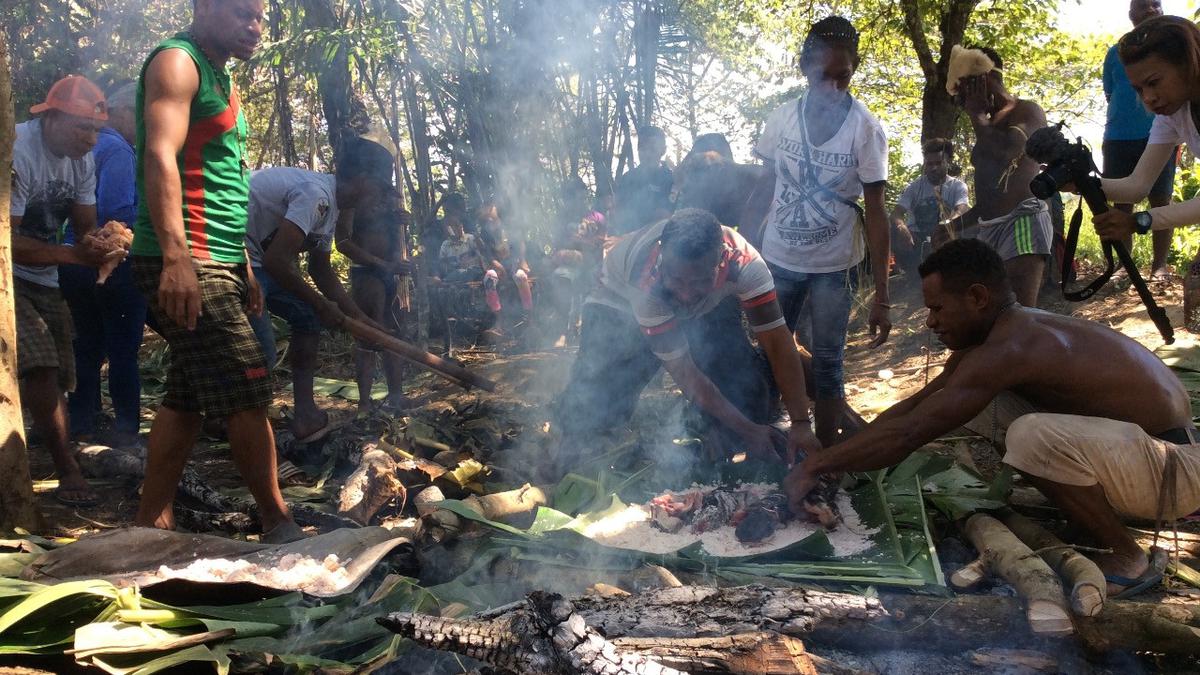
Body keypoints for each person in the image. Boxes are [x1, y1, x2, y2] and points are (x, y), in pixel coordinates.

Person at [785, 238, 1199, 597]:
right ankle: (1092, 518)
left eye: (937, 308)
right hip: (1143, 457)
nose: (931, 322)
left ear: (978, 298)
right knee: (989, 407)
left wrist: (818, 463)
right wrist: (839, 458)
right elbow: (919, 405)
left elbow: (913, 432)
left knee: (1031, 435)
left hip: (1173, 471)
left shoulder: (1012, 347)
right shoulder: (998, 338)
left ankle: (1128, 557)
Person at [130, 0, 301, 542]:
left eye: (260, 18)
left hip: (219, 258)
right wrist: (178, 258)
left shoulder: (222, 76)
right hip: (185, 259)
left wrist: (244, 264)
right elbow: (160, 155)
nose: (255, 27)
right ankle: (278, 523)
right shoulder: (177, 63)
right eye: (241, 14)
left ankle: (151, 523)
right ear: (204, 8)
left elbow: (225, 180)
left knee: (187, 396)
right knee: (250, 384)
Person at [554, 208, 821, 477]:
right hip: (616, 303)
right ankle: (566, 459)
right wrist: (750, 430)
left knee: (743, 383)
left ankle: (718, 450)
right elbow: (686, 374)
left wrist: (800, 422)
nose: (685, 293)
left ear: (721, 261)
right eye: (678, 279)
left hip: (710, 303)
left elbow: (778, 343)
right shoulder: (645, 280)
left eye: (699, 280)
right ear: (662, 255)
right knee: (601, 394)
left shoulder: (746, 265)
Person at [751, 15, 891, 446]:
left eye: (842, 77)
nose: (831, 88)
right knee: (768, 353)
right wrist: (742, 254)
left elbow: (877, 210)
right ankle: (773, 445)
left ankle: (827, 460)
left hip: (835, 265)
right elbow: (763, 188)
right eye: (821, 76)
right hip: (778, 258)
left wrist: (882, 295)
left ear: (853, 71)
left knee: (829, 362)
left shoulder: (865, 129)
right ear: (803, 68)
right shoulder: (781, 120)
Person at [245, 140, 398, 439]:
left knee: (307, 317)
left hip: (262, 263)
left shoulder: (332, 209)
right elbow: (278, 261)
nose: (380, 201)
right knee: (261, 350)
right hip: (239, 259)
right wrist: (321, 304)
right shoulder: (317, 196)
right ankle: (243, 425)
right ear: (364, 180)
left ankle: (305, 414)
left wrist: (359, 320)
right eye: (380, 190)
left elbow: (320, 269)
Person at [11, 75, 112, 506]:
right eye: (81, 128)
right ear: (51, 116)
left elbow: (85, 229)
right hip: (7, 275)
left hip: (45, 275)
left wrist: (104, 244)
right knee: (43, 366)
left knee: (59, 375)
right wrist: (74, 256)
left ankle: (38, 447)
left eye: (95, 130)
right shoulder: (17, 149)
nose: (91, 140)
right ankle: (65, 467)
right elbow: (4, 238)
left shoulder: (81, 160)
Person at [58, 81, 148, 450]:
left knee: (88, 344)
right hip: (112, 261)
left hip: (73, 258)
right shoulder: (118, 149)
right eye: (141, 120)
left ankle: (81, 426)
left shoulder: (80, 147)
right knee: (124, 347)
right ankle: (127, 432)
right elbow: (117, 212)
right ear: (123, 114)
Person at [947, 45, 1051, 308]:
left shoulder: (1027, 111)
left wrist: (976, 114)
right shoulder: (987, 125)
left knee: (1022, 312)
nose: (962, 101)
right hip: (991, 230)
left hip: (1022, 221)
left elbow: (1009, 152)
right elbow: (989, 202)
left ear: (985, 78)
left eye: (965, 91)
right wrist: (952, 228)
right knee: (998, 315)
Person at [1093, 16, 1200, 247]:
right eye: (1139, 89)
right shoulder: (1173, 114)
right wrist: (1076, 182)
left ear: (1188, 63)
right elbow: (1136, 186)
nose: (1148, 98)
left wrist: (1139, 221)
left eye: (1153, 82)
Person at [1102, 0, 1176, 281]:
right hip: (1119, 138)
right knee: (1122, 202)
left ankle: (1159, 265)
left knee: (1161, 198)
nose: (1150, 10)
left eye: (1156, 4)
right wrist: (1079, 183)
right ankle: (1123, 267)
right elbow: (1110, 92)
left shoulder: (1173, 117)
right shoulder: (1114, 54)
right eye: (1143, 5)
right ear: (1130, 15)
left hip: (1155, 137)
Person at [344, 203, 412, 415]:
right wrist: (382, 264)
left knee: (395, 335)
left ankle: (396, 397)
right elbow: (343, 242)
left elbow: (399, 242)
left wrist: (403, 225)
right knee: (368, 336)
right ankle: (364, 402)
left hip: (394, 275)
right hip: (366, 273)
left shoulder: (392, 200)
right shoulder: (357, 200)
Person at [889, 138, 970, 276]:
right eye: (929, 163)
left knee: (970, 228)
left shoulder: (957, 186)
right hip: (917, 241)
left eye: (938, 163)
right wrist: (902, 228)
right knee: (890, 228)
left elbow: (961, 208)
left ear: (948, 162)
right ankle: (902, 271)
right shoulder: (914, 187)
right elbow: (896, 214)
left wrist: (947, 224)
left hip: (944, 237)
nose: (933, 168)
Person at [475, 202, 533, 330]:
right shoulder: (484, 232)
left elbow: (519, 245)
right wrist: (496, 265)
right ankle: (498, 320)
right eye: (487, 209)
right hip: (496, 266)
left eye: (491, 208)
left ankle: (529, 317)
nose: (489, 210)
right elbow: (487, 253)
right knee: (489, 278)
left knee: (521, 276)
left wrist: (522, 260)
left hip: (512, 263)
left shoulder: (509, 227)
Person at [611, 126, 673, 235]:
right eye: (642, 148)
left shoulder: (671, 179)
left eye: (652, 149)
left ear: (663, 150)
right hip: (629, 241)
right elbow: (618, 212)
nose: (646, 154)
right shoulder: (628, 179)